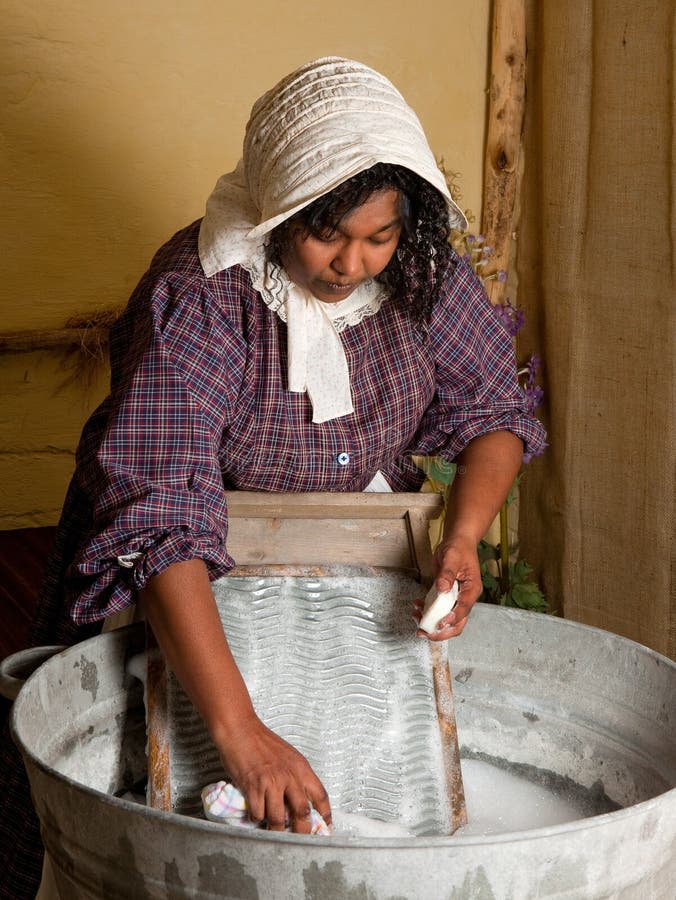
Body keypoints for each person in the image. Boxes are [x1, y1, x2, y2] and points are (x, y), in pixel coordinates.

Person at [0, 57, 546, 898]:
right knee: (108, 824)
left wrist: (465, 537)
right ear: (279, 208)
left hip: (352, 566)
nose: (351, 263)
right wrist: (240, 733)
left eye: (379, 236)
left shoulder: (422, 273)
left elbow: (492, 413)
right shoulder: (201, 296)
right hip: (187, 582)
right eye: (328, 234)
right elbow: (162, 519)